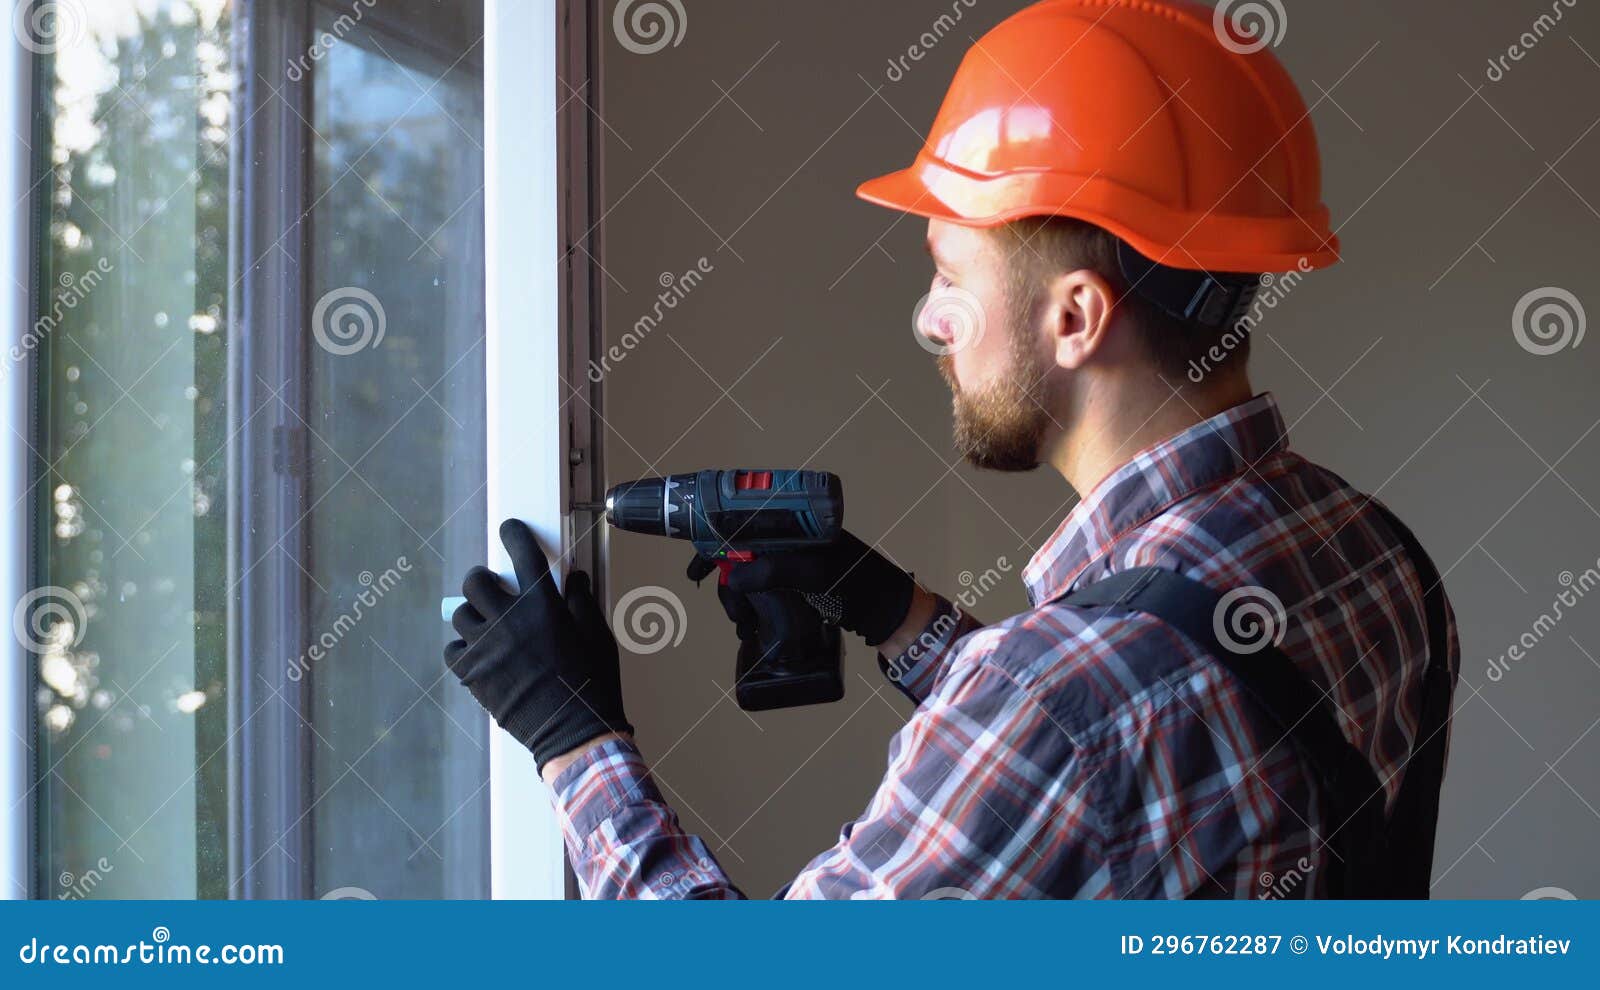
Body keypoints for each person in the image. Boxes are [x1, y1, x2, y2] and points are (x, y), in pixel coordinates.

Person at [444, 0, 1458, 899]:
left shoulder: (1053, 699)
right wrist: (892, 609)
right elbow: (1125, 772)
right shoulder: (1374, 551)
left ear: (1074, 318)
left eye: (949, 276)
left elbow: (1073, 728)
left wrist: (574, 741)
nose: (929, 322)